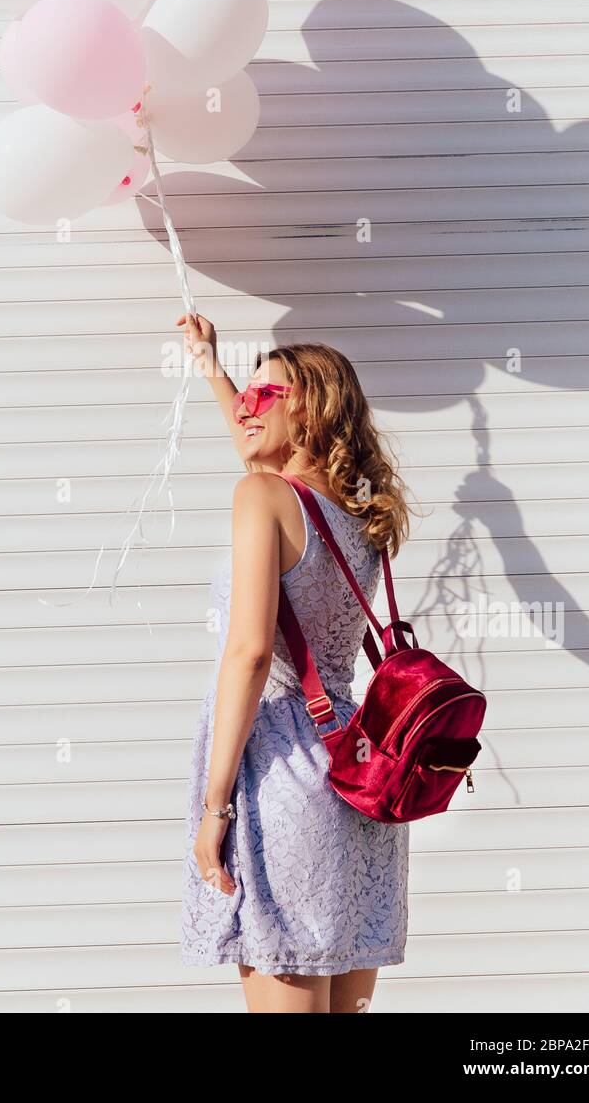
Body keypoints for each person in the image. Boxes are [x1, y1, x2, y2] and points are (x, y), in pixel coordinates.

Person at [177, 314, 414, 1014]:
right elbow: (265, 456)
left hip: (282, 776)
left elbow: (251, 654)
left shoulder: (263, 499)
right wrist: (211, 368)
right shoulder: (355, 514)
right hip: (356, 774)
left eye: (266, 396)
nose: (246, 408)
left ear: (311, 410)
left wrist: (214, 807)